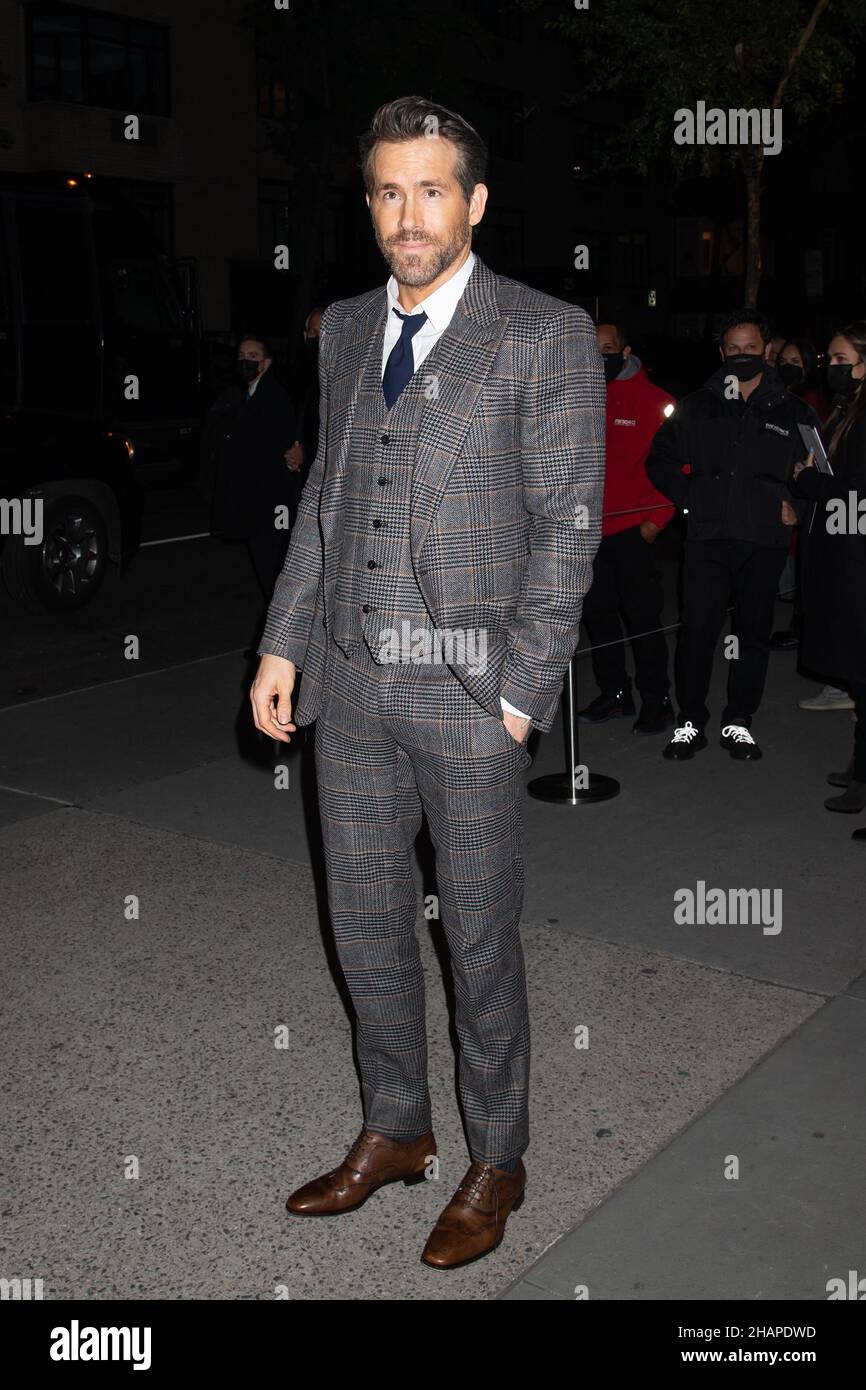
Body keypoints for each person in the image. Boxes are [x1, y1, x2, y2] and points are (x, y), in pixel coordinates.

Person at [250, 95, 605, 1269]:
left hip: (468, 699)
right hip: (347, 692)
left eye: (432, 189)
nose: (411, 214)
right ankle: (395, 1128)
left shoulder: (542, 333)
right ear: (369, 207)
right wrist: (281, 642)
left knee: (479, 941)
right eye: (389, 192)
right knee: (362, 925)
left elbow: (565, 525)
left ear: (475, 201)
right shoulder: (346, 327)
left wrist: (519, 695)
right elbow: (327, 499)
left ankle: (495, 1153)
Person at [646, 307, 819, 761]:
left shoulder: (794, 409)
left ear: (767, 350)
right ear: (722, 352)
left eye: (751, 348)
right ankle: (690, 721)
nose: (743, 355)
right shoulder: (698, 405)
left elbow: (818, 473)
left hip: (764, 541)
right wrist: (690, 500)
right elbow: (659, 460)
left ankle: (739, 720)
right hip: (707, 539)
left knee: (752, 633)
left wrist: (798, 507)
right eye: (734, 349)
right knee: (697, 631)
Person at [577, 321, 676, 734]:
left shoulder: (656, 401)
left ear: (626, 349)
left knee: (643, 620)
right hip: (585, 533)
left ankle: (658, 700)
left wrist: (657, 521)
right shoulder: (577, 395)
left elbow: (679, 468)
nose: (601, 356)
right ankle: (615, 693)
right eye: (593, 348)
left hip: (633, 531)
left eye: (608, 348)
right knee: (598, 619)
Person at [791, 321, 866, 819]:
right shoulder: (848, 410)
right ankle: (861, 767)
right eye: (831, 361)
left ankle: (863, 781)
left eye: (843, 360)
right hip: (843, 550)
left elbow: (855, 489)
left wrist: (812, 483)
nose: (833, 369)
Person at [201, 335, 302, 597]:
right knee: (267, 570)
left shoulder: (272, 397)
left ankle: (285, 630)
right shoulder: (244, 395)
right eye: (241, 357)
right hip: (256, 503)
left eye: (252, 357)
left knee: (273, 572)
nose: (245, 361)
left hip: (267, 506)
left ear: (266, 363)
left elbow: (283, 449)